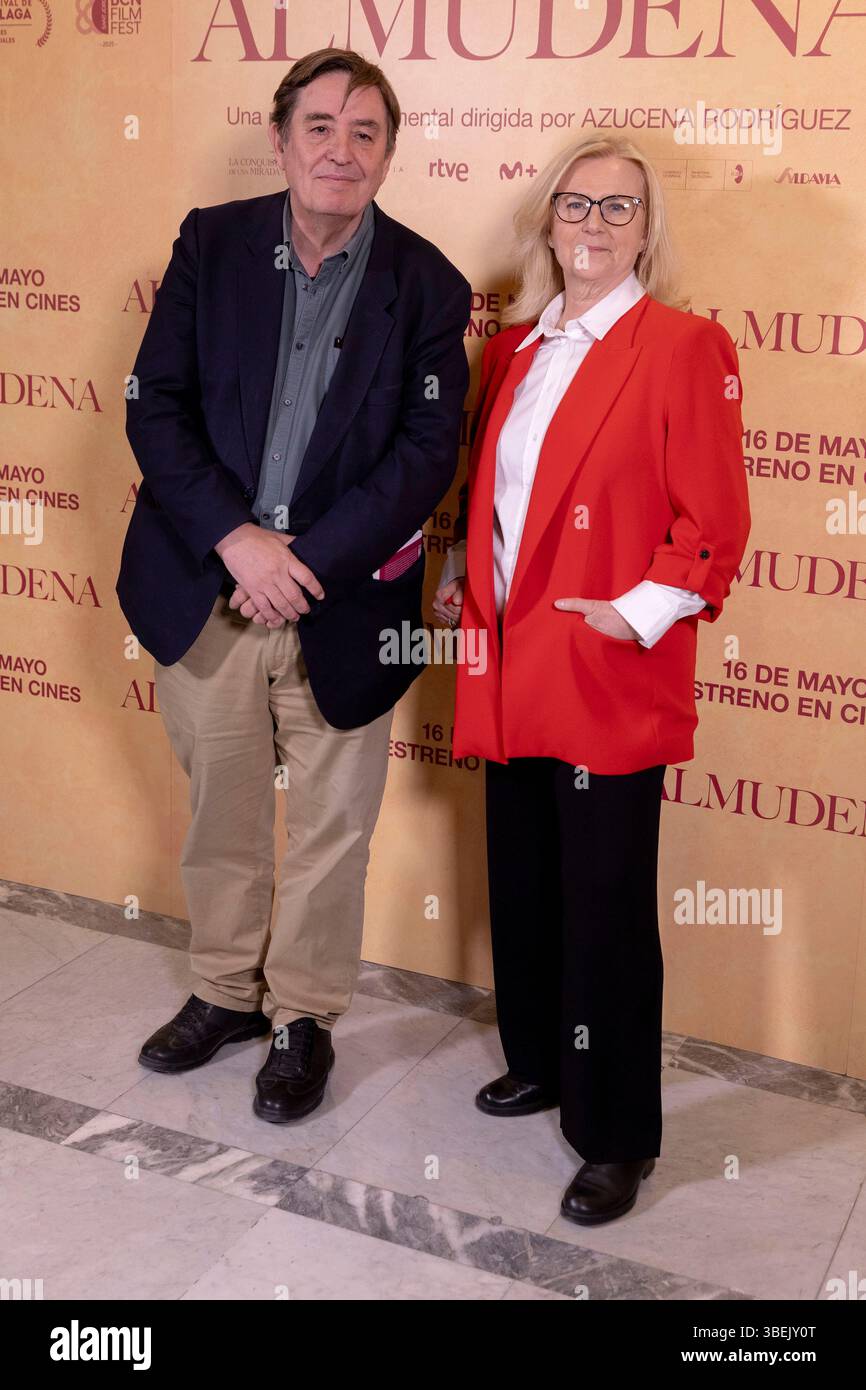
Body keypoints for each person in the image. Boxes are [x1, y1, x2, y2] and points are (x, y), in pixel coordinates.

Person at [117, 48, 470, 1123]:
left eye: (365, 133)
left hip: (343, 604)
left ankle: (303, 1018)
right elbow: (154, 405)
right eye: (319, 127)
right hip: (205, 584)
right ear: (279, 141)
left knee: (330, 831)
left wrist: (303, 561)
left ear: (387, 154)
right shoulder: (212, 245)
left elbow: (422, 455)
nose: (340, 150)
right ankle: (224, 993)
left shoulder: (427, 282)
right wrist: (236, 539)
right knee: (220, 813)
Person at [433, 135, 750, 1224]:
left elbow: (710, 524)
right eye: (577, 205)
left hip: (605, 669)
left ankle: (615, 1132)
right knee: (520, 879)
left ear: (646, 229)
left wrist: (634, 612)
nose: (595, 225)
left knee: (605, 907)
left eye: (620, 208)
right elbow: (492, 488)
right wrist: (460, 569)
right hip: (504, 658)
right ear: (549, 220)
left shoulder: (682, 345)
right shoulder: (512, 350)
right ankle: (541, 1062)